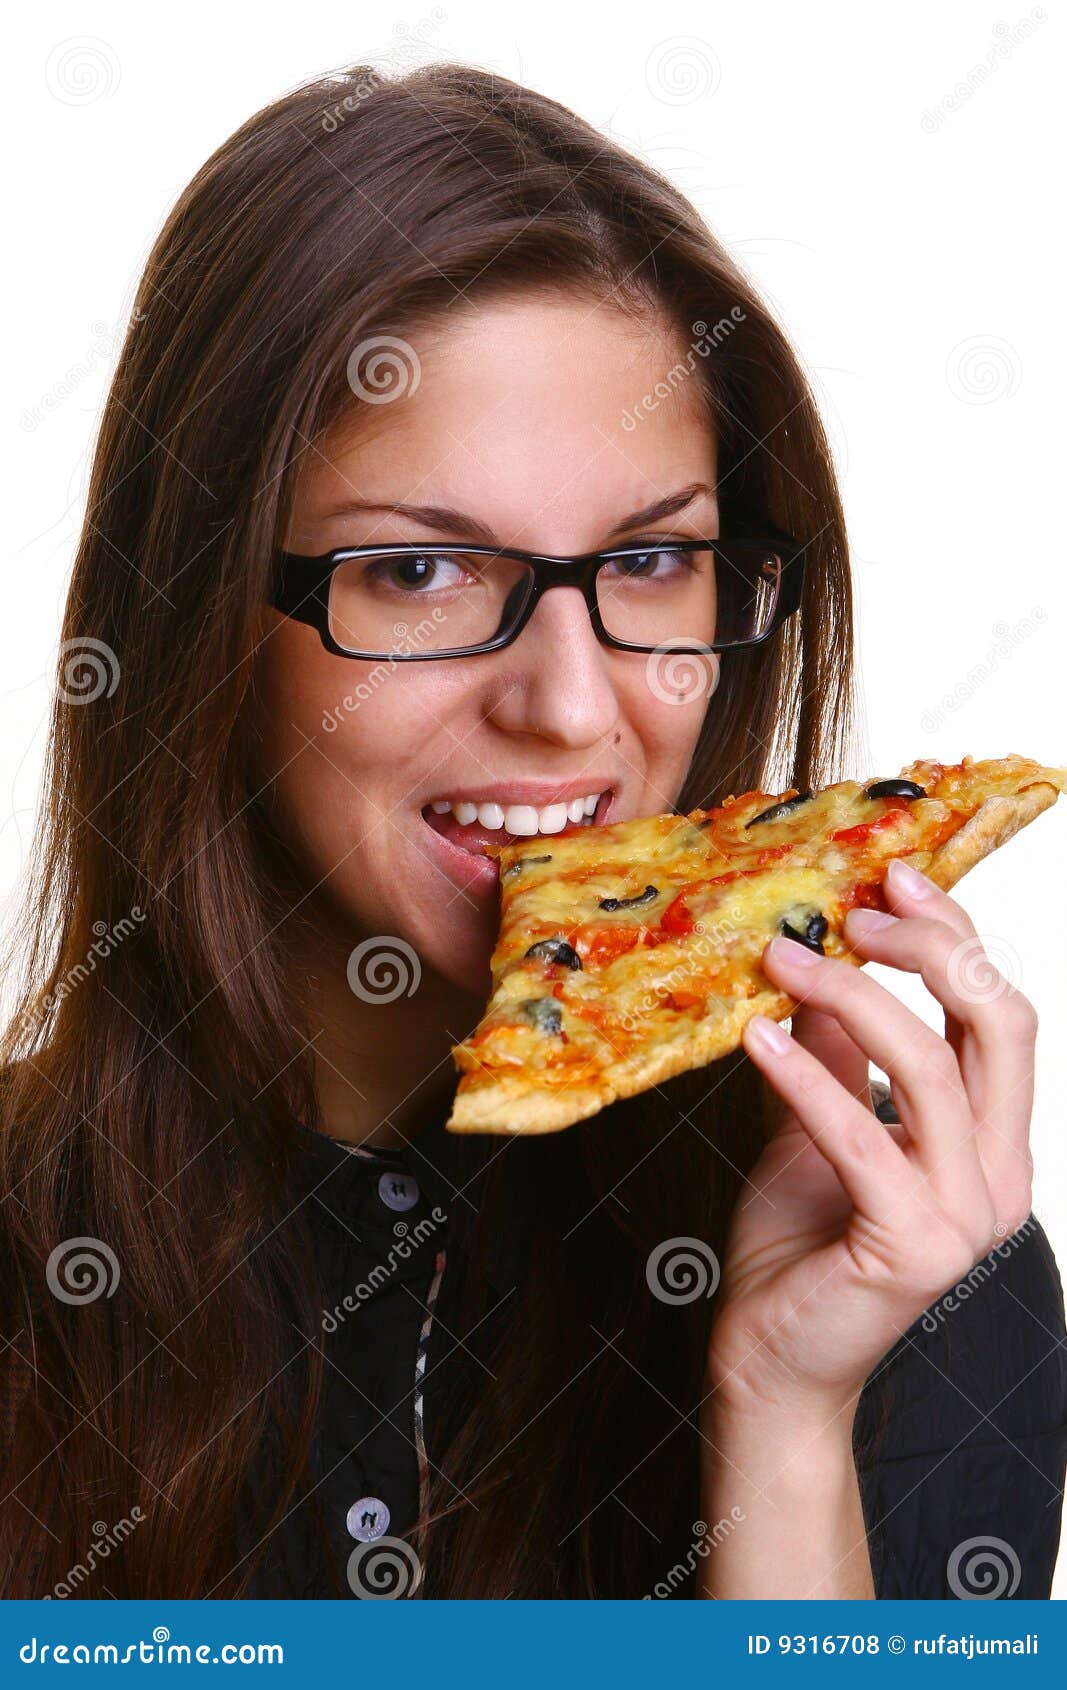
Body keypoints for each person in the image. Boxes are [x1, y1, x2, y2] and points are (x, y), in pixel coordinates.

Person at [2, 62, 1064, 1602]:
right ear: (196, 614)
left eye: (647, 560)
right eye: (418, 573)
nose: (571, 707)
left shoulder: (912, 1259)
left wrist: (786, 1417)